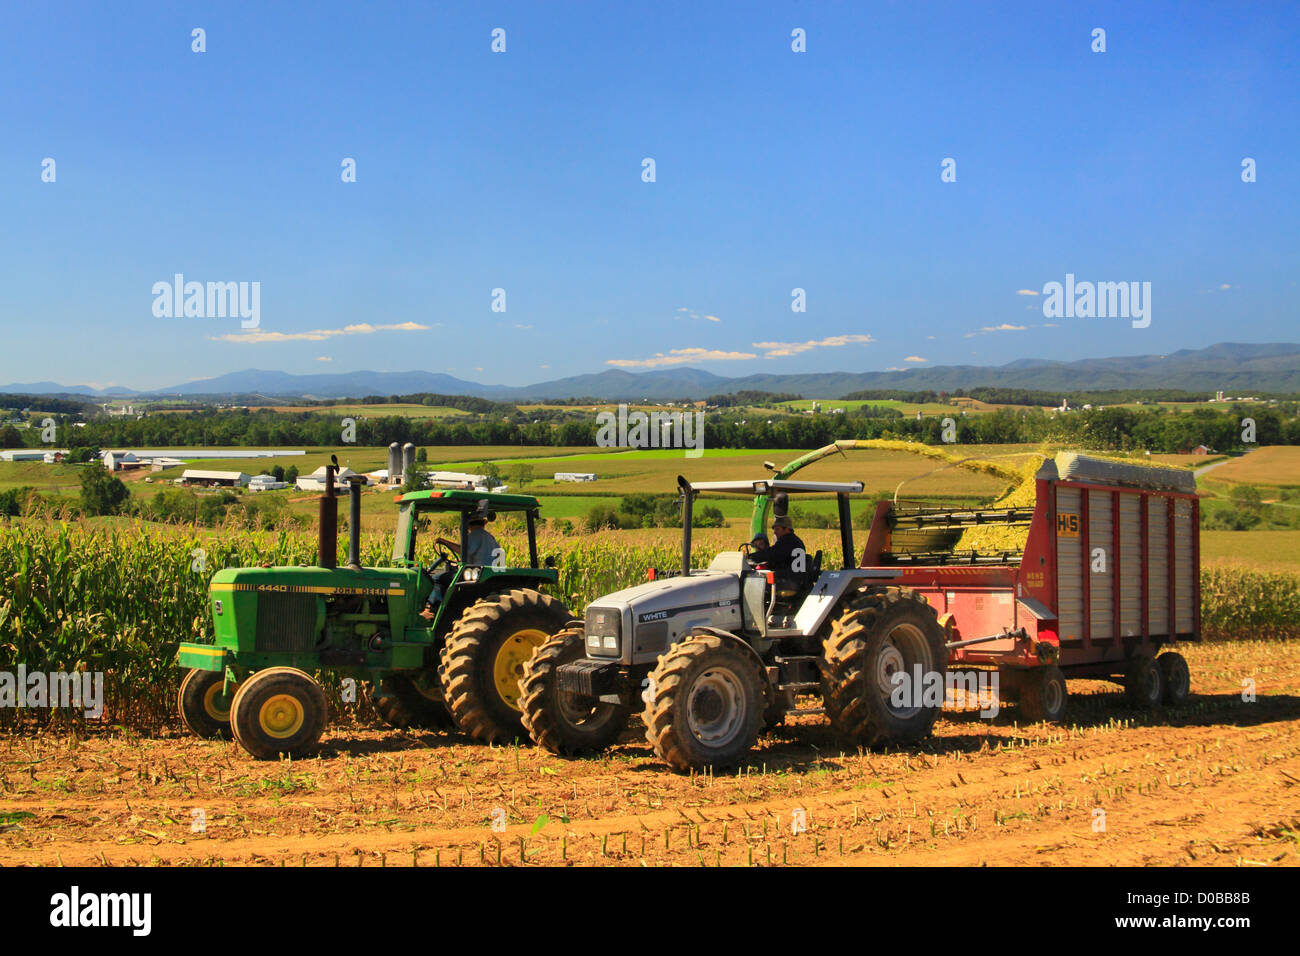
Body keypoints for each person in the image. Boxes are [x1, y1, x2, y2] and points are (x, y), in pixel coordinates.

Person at [419, 505, 501, 621]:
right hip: (485, 573)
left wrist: (443, 541)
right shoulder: (490, 538)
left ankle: (430, 609)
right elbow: (497, 554)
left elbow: (464, 550)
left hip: (476, 575)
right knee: (449, 573)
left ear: (469, 525)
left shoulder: (475, 535)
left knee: (437, 578)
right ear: (483, 523)